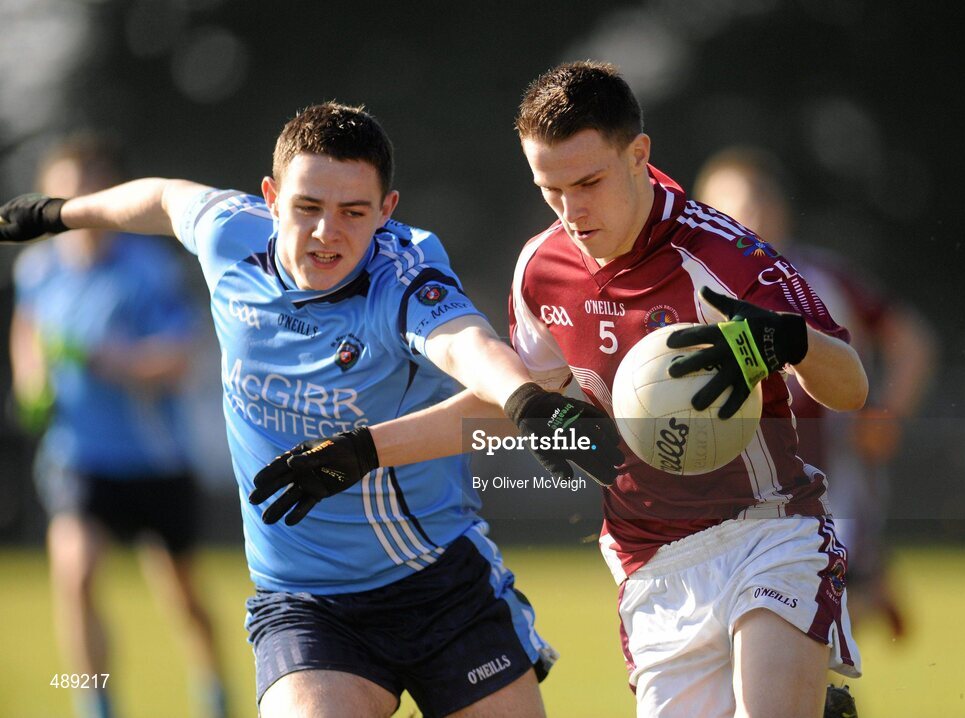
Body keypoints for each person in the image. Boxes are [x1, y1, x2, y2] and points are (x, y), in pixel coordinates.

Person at [0, 102, 621, 718]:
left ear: (386, 211)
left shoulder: (402, 275)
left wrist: (526, 401)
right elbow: (163, 199)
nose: (328, 232)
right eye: (308, 208)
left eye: (354, 212)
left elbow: (466, 344)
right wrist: (58, 214)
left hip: (441, 587)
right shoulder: (229, 235)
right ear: (270, 198)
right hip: (306, 604)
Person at [506, 62, 867, 717]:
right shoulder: (539, 268)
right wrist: (536, 417)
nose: (571, 210)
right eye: (549, 189)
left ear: (638, 154)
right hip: (651, 562)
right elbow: (524, 391)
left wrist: (789, 341)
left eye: (588, 181)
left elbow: (849, 385)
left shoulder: (725, 256)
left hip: (767, 528)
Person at [7, 135, 228, 718]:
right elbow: (27, 332)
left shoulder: (149, 268)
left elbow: (182, 355)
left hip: (153, 460)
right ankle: (96, 705)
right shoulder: (37, 269)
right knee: (74, 577)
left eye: (88, 187)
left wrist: (117, 360)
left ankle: (215, 690)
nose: (75, 200)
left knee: (182, 598)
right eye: (64, 187)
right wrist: (31, 380)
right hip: (80, 457)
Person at [693, 146, 936, 639]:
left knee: (807, 640)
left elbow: (912, 339)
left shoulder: (821, 279)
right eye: (731, 208)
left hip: (829, 486)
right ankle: (867, 584)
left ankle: (862, 582)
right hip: (731, 497)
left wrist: (888, 413)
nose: (750, 217)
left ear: (781, 208)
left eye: (760, 201)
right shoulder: (690, 287)